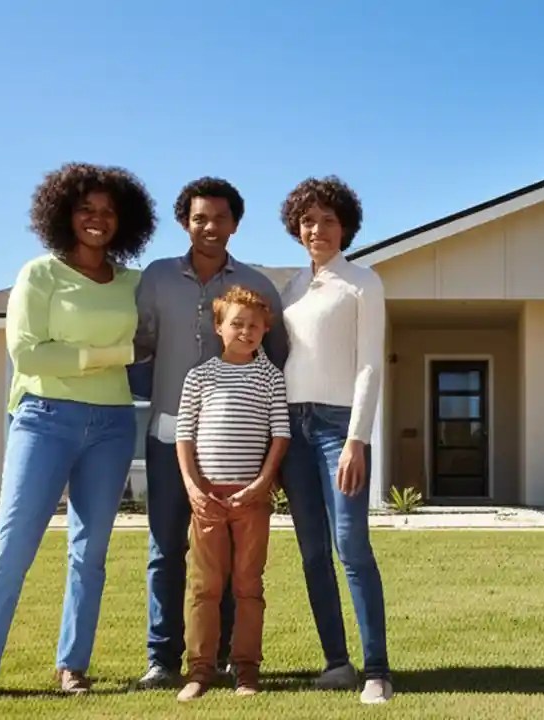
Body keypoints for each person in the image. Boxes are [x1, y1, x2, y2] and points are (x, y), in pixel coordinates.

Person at [0, 162, 157, 714]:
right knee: (12, 548)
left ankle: (72, 667)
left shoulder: (134, 283)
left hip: (111, 425)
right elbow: (29, 355)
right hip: (43, 419)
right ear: (64, 214)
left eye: (108, 212)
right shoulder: (40, 275)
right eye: (86, 209)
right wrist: (119, 355)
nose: (97, 220)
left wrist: (83, 360)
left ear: (123, 221)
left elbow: (165, 334)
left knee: (91, 553)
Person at [131, 177, 288, 690]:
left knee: (227, 554)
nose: (210, 227)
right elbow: (140, 346)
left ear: (235, 224)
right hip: (170, 433)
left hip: (233, 447)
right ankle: (163, 657)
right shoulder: (155, 278)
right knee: (165, 547)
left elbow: (276, 356)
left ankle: (222, 656)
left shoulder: (256, 285)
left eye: (220, 218)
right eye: (200, 218)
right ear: (185, 222)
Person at [277, 176, 392, 705]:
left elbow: (369, 364)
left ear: (344, 225)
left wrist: (356, 439)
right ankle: (336, 663)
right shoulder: (292, 288)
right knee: (311, 551)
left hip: (335, 429)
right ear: (296, 229)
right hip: (291, 428)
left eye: (327, 220)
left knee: (351, 545)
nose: (316, 229)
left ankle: (377, 671)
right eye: (307, 221)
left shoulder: (363, 282)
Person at [173, 286, 290, 701]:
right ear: (219, 327)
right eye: (237, 323)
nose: (246, 331)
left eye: (254, 325)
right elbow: (183, 436)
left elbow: (280, 435)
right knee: (204, 586)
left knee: (247, 585)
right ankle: (200, 670)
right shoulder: (200, 376)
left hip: (251, 500)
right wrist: (192, 485)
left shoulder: (271, 377)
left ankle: (246, 670)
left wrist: (262, 484)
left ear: (265, 329)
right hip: (207, 500)